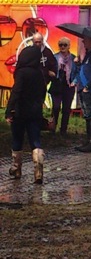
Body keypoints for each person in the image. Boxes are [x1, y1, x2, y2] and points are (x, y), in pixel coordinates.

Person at [6, 45, 48, 183]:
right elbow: (43, 92)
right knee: (35, 141)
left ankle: (17, 169)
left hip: (20, 112)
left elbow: (16, 92)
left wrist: (9, 110)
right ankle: (38, 172)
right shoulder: (39, 73)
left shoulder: (22, 72)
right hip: (35, 112)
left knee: (17, 140)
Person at [49, 37, 79, 136]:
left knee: (66, 109)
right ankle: (52, 128)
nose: (62, 47)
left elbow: (78, 72)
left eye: (65, 45)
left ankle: (63, 130)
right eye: (60, 45)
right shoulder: (55, 57)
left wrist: (74, 81)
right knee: (56, 108)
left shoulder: (73, 58)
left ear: (69, 46)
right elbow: (49, 68)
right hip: (57, 85)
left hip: (68, 86)